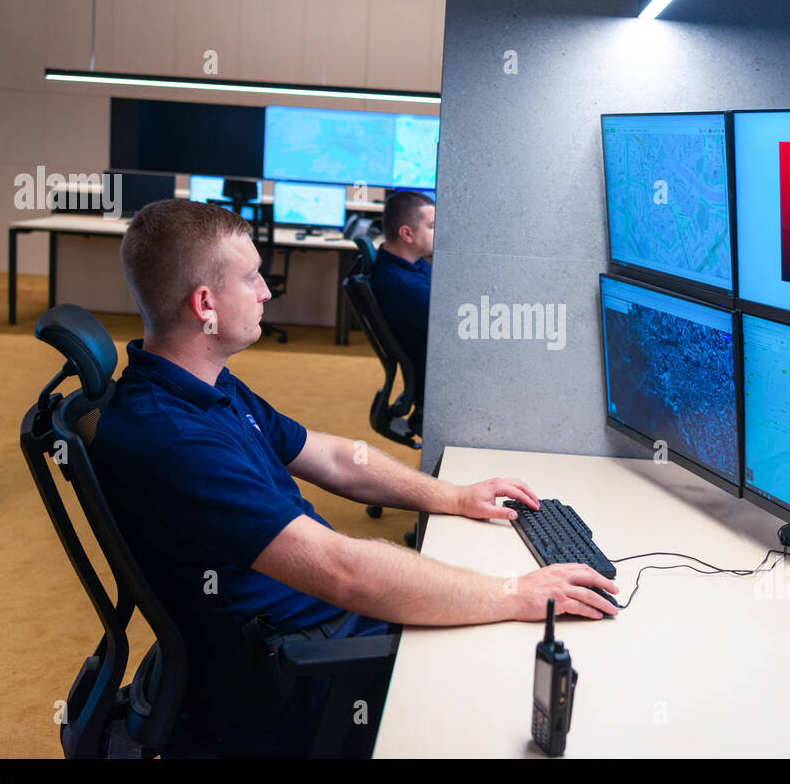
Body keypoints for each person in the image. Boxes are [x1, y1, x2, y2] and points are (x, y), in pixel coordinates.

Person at [90, 200, 617, 755]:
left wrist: (455, 496)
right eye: (251, 278)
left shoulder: (202, 385)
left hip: (320, 627)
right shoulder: (174, 438)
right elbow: (342, 571)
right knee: (525, 673)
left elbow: (337, 459)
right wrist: (512, 594)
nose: (267, 291)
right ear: (206, 304)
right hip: (300, 674)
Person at [369, 190, 433, 434]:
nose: (439, 232)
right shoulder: (405, 287)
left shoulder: (409, 265)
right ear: (407, 233)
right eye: (432, 226)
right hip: (439, 386)